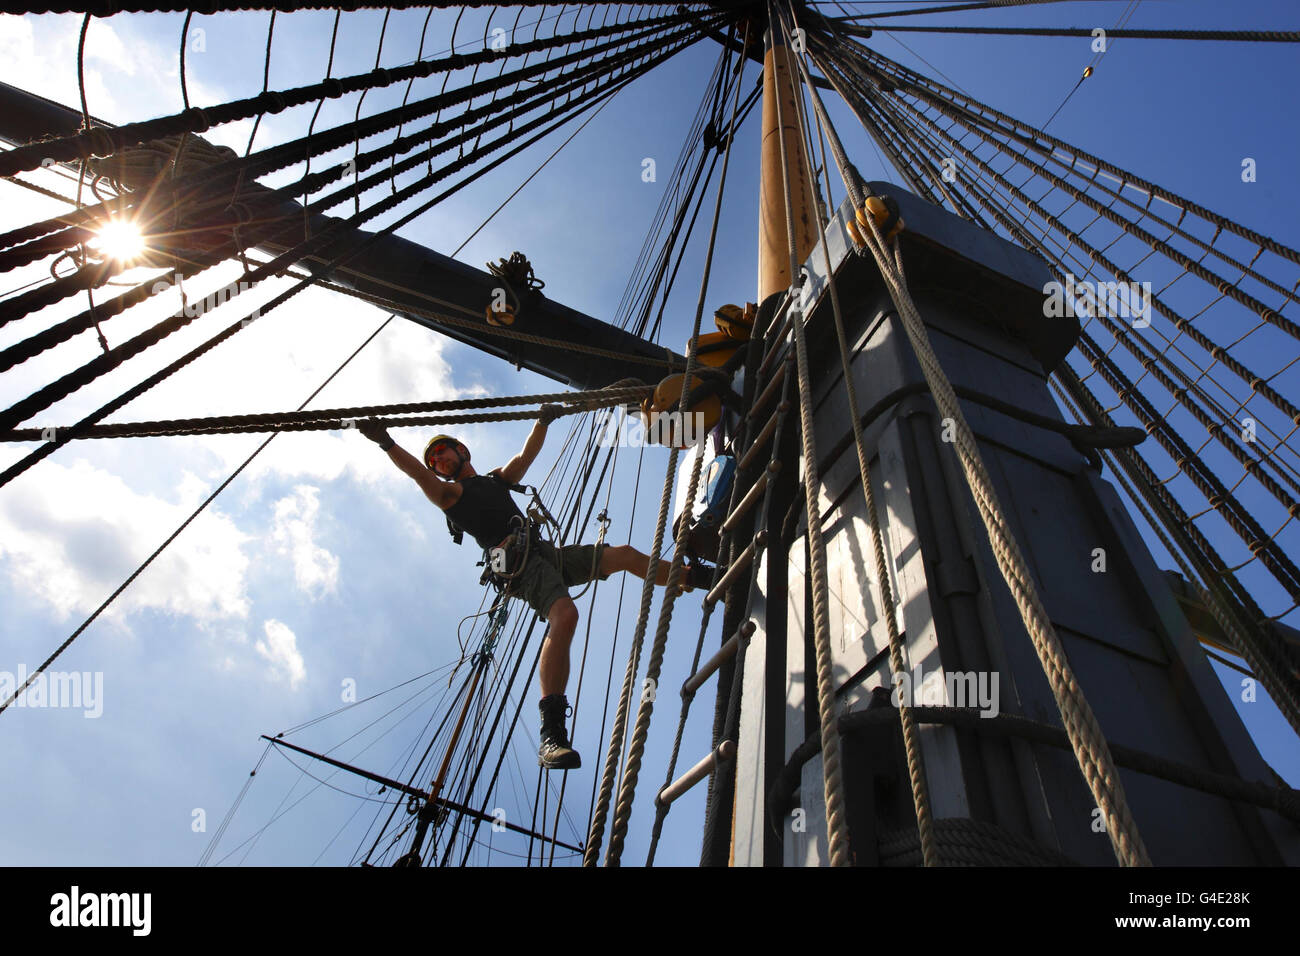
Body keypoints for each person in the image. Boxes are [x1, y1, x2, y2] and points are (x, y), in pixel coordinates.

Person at [356, 407, 713, 770]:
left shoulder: (495, 481)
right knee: (565, 613)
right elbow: (418, 475)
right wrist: (387, 443)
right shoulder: (450, 496)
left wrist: (543, 420)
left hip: (545, 554)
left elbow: (524, 458)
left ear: (462, 449)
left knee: (621, 555)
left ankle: (694, 578)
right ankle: (551, 734)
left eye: (442, 452)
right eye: (434, 460)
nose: (437, 461)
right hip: (520, 567)